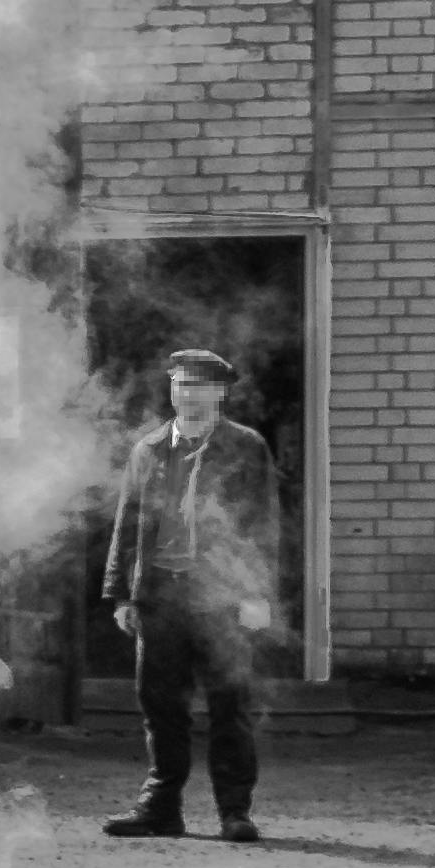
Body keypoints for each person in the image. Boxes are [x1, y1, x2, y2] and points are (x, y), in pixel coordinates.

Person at [101, 346, 284, 842]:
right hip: (161, 597)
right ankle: (161, 809)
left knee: (230, 704)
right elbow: (129, 525)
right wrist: (122, 595)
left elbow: (262, 523)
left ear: (220, 394)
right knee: (160, 705)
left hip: (222, 599)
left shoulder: (246, 447)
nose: (190, 398)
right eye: (182, 387)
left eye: (201, 388)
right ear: (173, 392)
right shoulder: (149, 450)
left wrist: (257, 594)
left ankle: (234, 811)